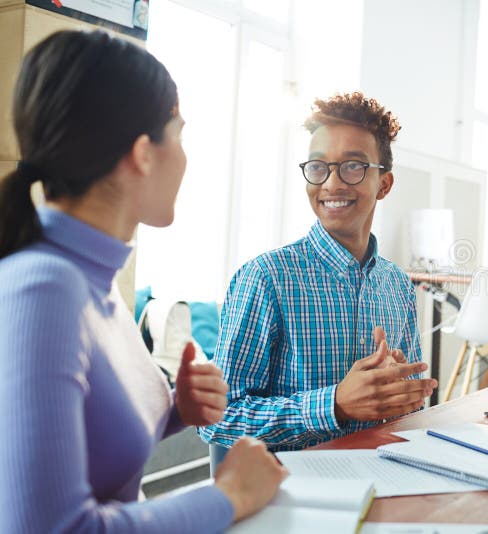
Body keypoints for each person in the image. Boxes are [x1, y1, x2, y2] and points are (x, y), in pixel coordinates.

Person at [0, 30, 286, 532]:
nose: (186, 157)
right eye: (179, 133)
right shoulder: (43, 290)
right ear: (142, 153)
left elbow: (92, 448)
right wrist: (230, 496)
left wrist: (177, 409)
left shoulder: (91, 277)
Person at [199, 92, 437, 452]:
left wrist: (400, 395)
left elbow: (408, 406)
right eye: (318, 166)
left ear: (384, 184)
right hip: (291, 483)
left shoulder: (397, 284)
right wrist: (334, 405)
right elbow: (215, 417)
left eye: (353, 166)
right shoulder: (266, 278)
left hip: (381, 472)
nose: (331, 183)